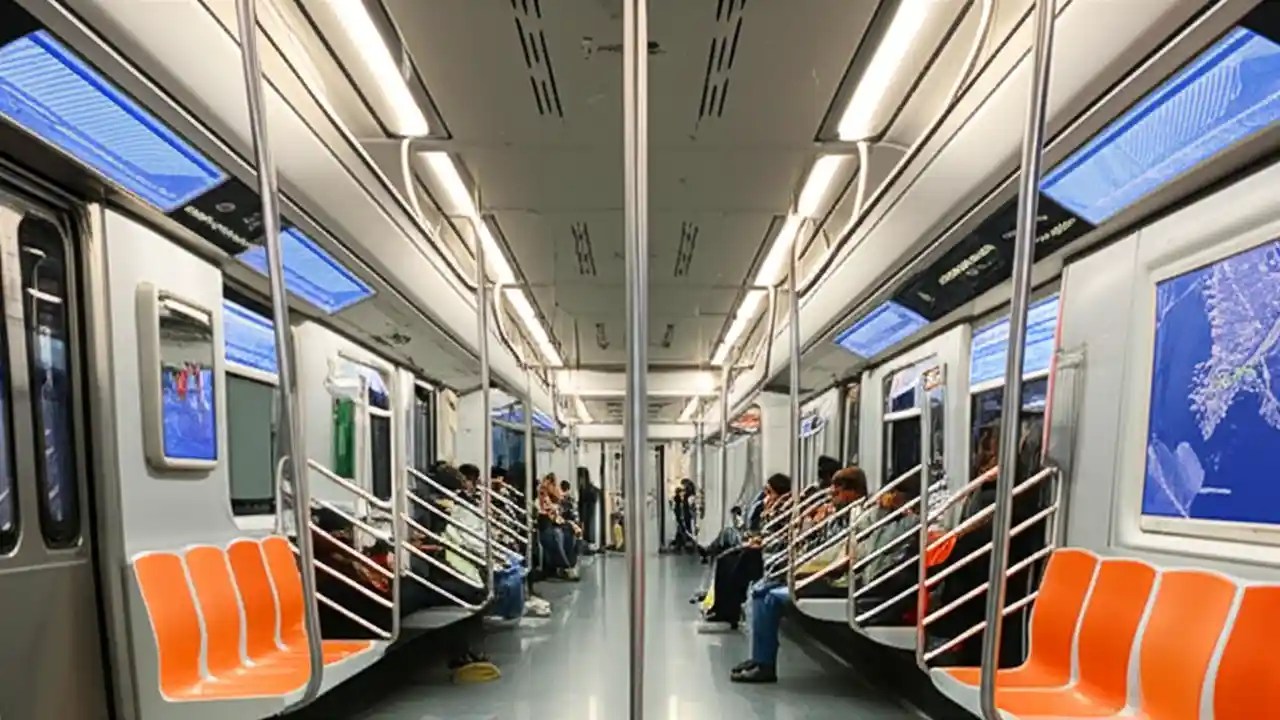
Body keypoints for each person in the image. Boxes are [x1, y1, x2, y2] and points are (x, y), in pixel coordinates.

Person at [731, 467, 870, 683]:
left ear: (852, 492)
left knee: (770, 597)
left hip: (839, 581)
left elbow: (846, 557)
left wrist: (812, 569)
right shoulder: (841, 515)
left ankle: (765, 664)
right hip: (825, 572)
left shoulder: (862, 517)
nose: (833, 498)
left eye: (837, 493)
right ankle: (759, 659)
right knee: (761, 591)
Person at [698, 473, 793, 632]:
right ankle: (722, 609)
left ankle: (730, 611)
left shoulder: (785, 511)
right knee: (725, 559)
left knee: (742, 560)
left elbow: (783, 538)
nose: (766, 497)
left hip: (773, 555)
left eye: (770, 492)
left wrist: (761, 543)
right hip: (762, 547)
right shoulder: (769, 509)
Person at [537, 475, 579, 579]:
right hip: (546, 525)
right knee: (557, 535)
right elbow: (546, 512)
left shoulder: (555, 497)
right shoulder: (541, 496)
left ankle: (569, 563)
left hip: (555, 523)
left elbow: (558, 515)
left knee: (570, 532)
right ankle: (565, 566)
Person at [577, 466, 601, 551]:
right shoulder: (590, 489)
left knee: (589, 524)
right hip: (587, 508)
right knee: (589, 524)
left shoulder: (586, 489)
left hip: (587, 509)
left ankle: (589, 543)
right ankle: (589, 543)